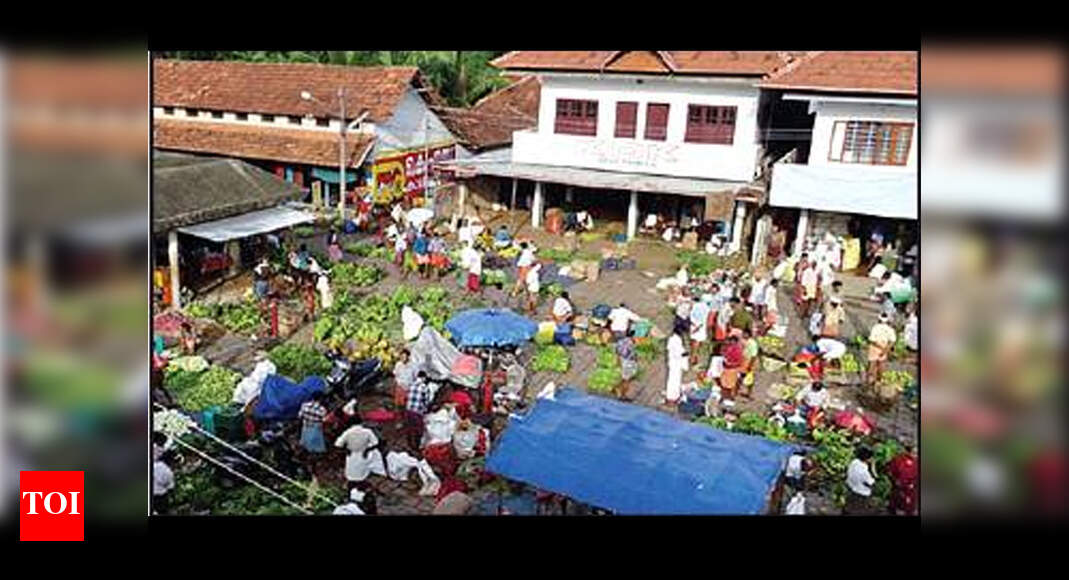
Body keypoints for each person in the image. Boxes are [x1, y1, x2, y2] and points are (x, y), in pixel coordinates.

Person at [404, 371, 434, 451]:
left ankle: (409, 444)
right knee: (419, 430)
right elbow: (426, 402)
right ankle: (416, 446)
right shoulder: (424, 387)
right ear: (424, 378)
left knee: (409, 427)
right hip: (417, 411)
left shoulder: (411, 385)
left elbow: (407, 397)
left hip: (408, 409)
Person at [866, 313, 897, 386]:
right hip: (884, 347)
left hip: (875, 347)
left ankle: (869, 382)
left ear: (879, 319)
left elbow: (872, 340)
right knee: (881, 365)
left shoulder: (876, 327)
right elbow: (892, 341)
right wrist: (886, 350)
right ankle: (879, 381)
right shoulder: (890, 329)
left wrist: (880, 348)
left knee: (872, 365)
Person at [844, 446, 877, 515]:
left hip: (851, 491)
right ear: (867, 459)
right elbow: (871, 483)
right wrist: (873, 468)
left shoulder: (854, 462)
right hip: (861, 495)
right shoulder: (863, 471)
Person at [887, 443, 918, 515]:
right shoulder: (898, 460)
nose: (915, 455)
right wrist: (894, 480)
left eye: (916, 453)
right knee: (896, 502)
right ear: (907, 451)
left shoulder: (917, 462)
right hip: (898, 487)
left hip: (911, 488)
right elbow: (891, 471)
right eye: (914, 453)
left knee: (909, 506)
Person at [665, 328, 687, 406]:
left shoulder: (671, 339)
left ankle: (671, 397)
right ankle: (673, 398)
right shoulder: (677, 340)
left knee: (672, 380)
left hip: (673, 363)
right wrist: (685, 354)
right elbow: (679, 353)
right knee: (675, 381)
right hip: (676, 363)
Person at [615, 329, 639, 401]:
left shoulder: (621, 341)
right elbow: (631, 353)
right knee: (627, 380)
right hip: (629, 361)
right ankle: (622, 395)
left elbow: (617, 351)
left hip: (623, 360)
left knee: (625, 378)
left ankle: (618, 388)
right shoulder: (630, 343)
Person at [689, 294, 712, 366]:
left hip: (694, 325)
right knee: (697, 343)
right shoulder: (707, 308)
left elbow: (691, 315)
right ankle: (694, 357)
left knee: (694, 342)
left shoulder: (695, 305)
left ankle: (693, 356)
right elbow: (704, 319)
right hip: (700, 327)